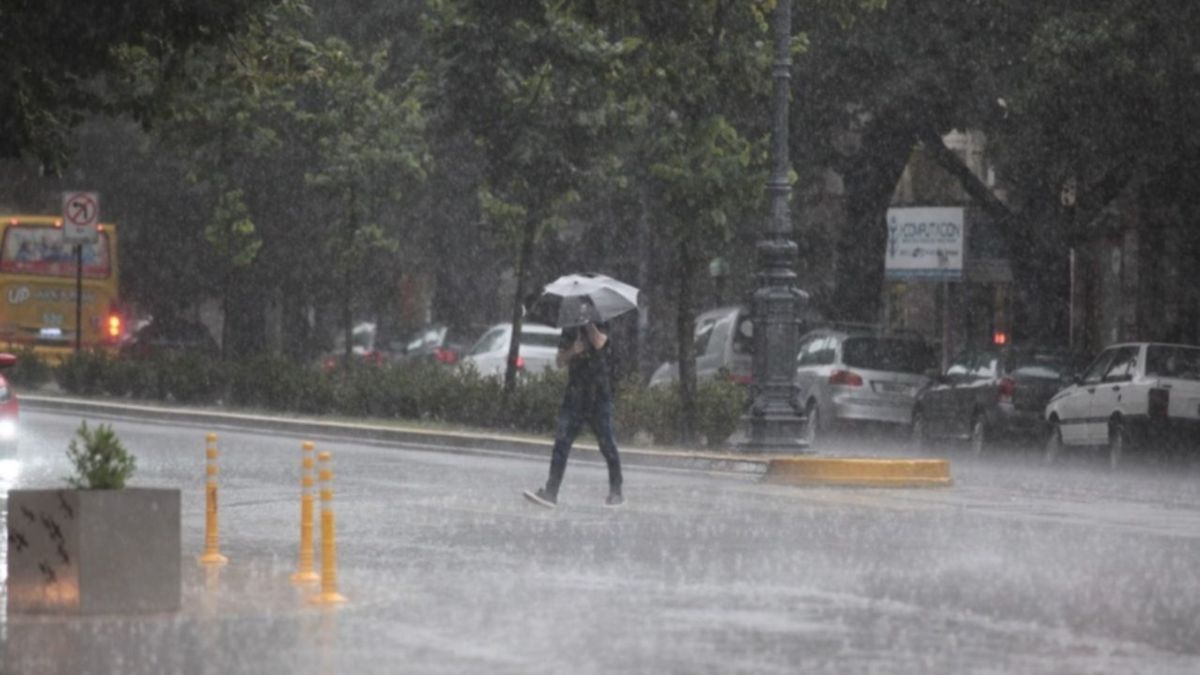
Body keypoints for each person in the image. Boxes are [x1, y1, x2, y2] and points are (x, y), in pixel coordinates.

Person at [524, 303, 624, 509]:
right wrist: (573, 350)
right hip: (575, 393)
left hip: (598, 393)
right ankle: (551, 492)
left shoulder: (602, 321)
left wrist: (588, 325)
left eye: (587, 307)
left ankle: (616, 491)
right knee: (561, 442)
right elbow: (559, 361)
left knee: (607, 444)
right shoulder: (569, 328)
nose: (583, 310)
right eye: (581, 307)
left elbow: (599, 342)